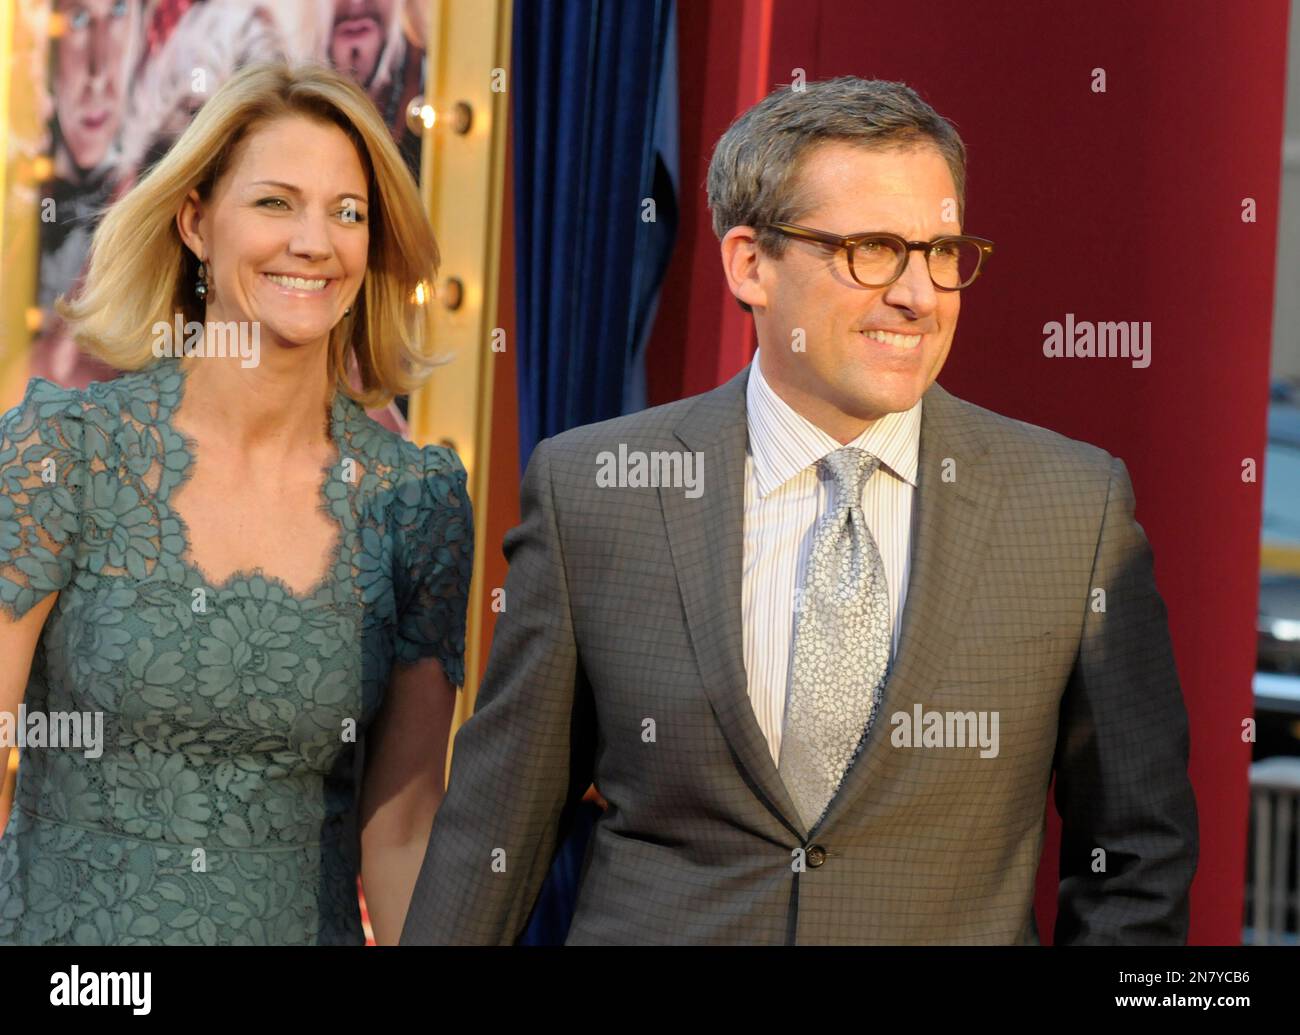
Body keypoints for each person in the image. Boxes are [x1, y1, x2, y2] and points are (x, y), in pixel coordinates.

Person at [401, 76, 1198, 945]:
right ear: (750, 264)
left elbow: (1135, 860)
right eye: (874, 250)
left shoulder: (1072, 509)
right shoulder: (595, 491)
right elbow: (496, 831)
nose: (920, 295)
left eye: (941, 252)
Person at [0, 62, 472, 946]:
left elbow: (402, 830)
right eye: (275, 203)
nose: (315, 242)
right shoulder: (64, 450)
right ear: (195, 222)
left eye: (348, 212)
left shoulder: (417, 502)